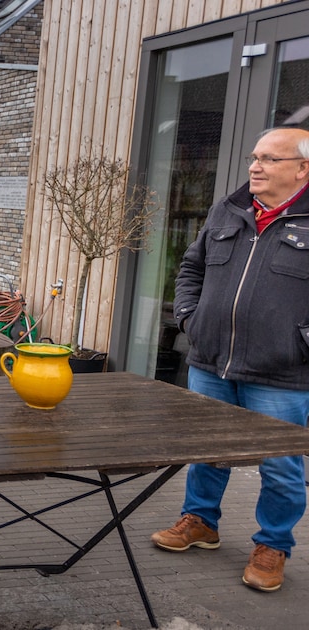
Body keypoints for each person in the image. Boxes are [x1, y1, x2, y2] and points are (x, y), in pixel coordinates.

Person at [151, 126, 309, 592]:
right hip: (210, 359)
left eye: (269, 159)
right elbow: (192, 266)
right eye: (254, 157)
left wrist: (301, 340)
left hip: (281, 373)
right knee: (208, 450)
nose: (255, 167)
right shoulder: (230, 209)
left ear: (302, 168)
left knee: (280, 466)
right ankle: (200, 522)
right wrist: (189, 319)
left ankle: (273, 545)